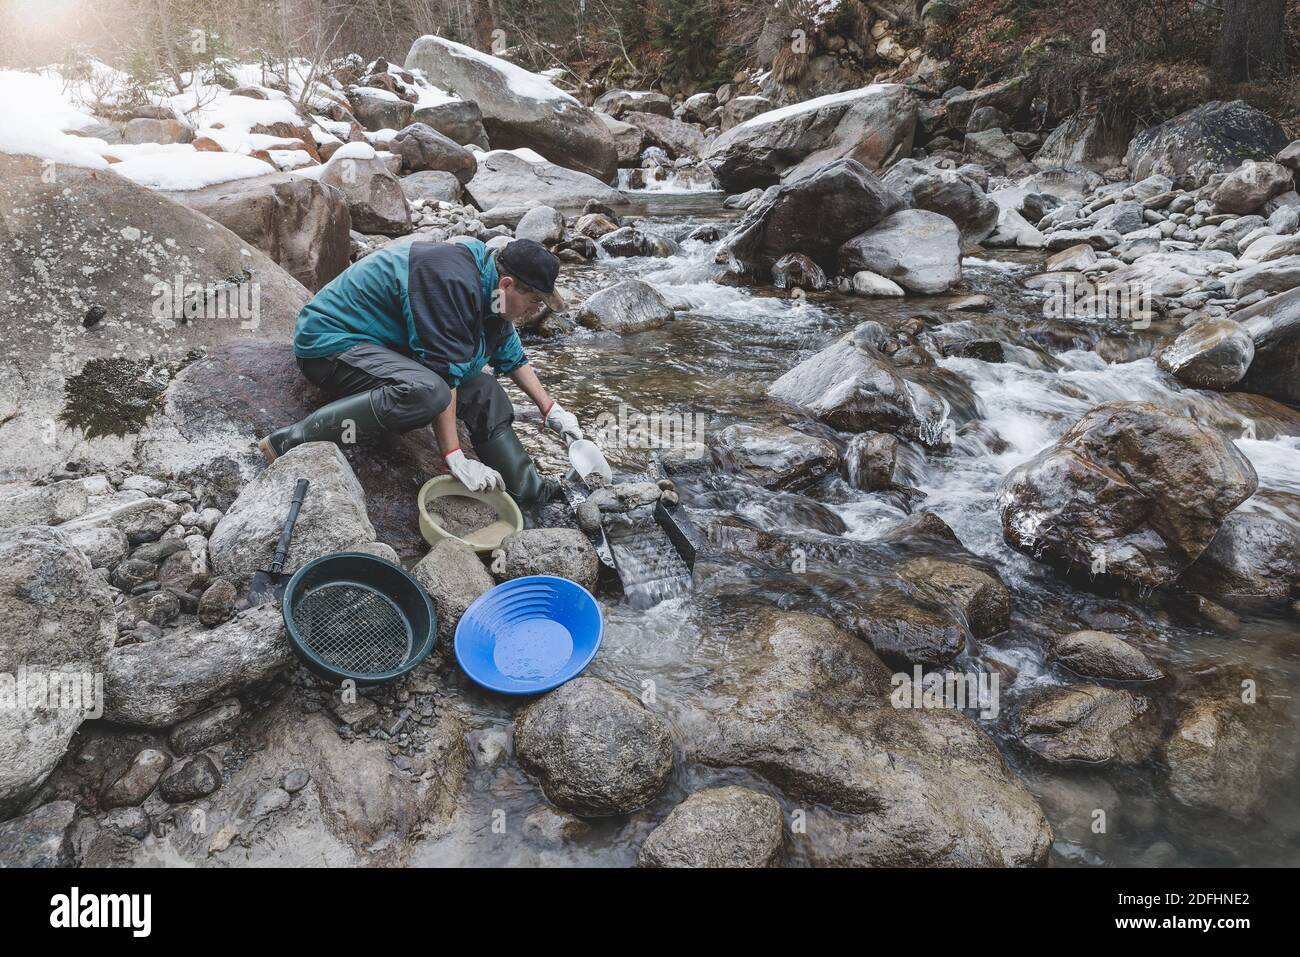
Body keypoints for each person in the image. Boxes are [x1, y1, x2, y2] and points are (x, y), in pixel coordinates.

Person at [258, 237, 581, 503]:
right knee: (428, 393)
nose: (535, 310)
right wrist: (454, 456)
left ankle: (527, 493)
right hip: (332, 345)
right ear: (508, 284)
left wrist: (551, 409)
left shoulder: (491, 284)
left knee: (486, 391)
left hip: (388, 349)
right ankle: (291, 441)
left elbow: (508, 354)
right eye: (535, 301)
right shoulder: (447, 279)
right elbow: (444, 374)